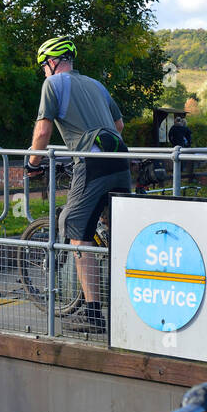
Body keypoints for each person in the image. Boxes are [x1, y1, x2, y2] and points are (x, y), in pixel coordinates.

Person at [26, 36, 130, 334]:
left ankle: (94, 317)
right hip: (120, 158)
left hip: (92, 160)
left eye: (44, 65)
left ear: (53, 62)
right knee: (115, 231)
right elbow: (118, 125)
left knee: (76, 230)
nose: (44, 71)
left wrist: (33, 164)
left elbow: (43, 132)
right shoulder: (96, 84)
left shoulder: (53, 85)